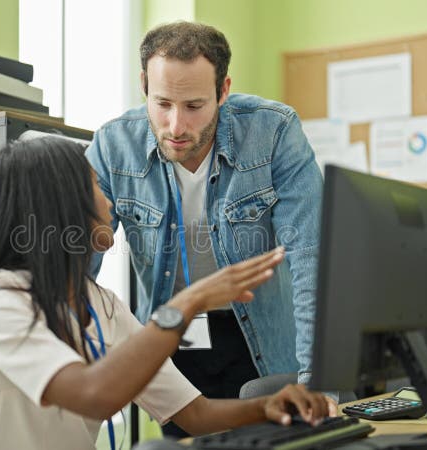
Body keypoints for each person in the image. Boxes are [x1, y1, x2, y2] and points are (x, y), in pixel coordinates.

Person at [0, 137, 332, 450]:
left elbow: (196, 414)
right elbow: (94, 393)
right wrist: (188, 302)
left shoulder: (101, 305)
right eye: (95, 185)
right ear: (60, 203)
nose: (108, 200)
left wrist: (267, 406)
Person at [85, 21, 331, 437]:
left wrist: (317, 383)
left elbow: (310, 257)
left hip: (260, 337)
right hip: (173, 338)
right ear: (144, 84)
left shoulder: (273, 133)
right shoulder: (113, 145)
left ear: (223, 90)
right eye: (162, 103)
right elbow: (78, 262)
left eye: (194, 106)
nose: (176, 125)